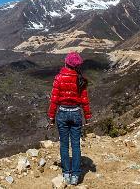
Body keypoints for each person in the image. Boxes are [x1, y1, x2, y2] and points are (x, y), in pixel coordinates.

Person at [48, 52, 91, 186]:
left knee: (64, 145)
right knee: (76, 145)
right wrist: (87, 116)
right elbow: (84, 100)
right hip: (76, 113)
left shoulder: (58, 78)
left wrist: (51, 117)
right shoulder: (80, 79)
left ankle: (66, 173)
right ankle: (76, 176)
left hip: (62, 113)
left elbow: (54, 100)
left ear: (66, 63)